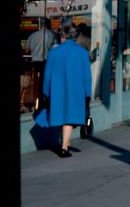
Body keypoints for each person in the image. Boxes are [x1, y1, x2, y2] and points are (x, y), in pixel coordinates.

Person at [38, 22, 92, 157]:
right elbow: (87, 76)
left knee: (62, 116)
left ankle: (64, 144)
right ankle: (64, 146)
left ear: (63, 36)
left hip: (56, 91)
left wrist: (45, 92)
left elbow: (47, 75)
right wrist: (87, 94)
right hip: (76, 91)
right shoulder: (82, 53)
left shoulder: (54, 52)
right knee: (69, 118)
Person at [23, 17, 56, 112]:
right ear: (49, 24)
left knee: (35, 85)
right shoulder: (52, 35)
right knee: (46, 84)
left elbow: (26, 50)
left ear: (40, 25)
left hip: (35, 64)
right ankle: (45, 103)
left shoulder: (33, 35)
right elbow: (57, 49)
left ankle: (34, 102)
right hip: (47, 63)